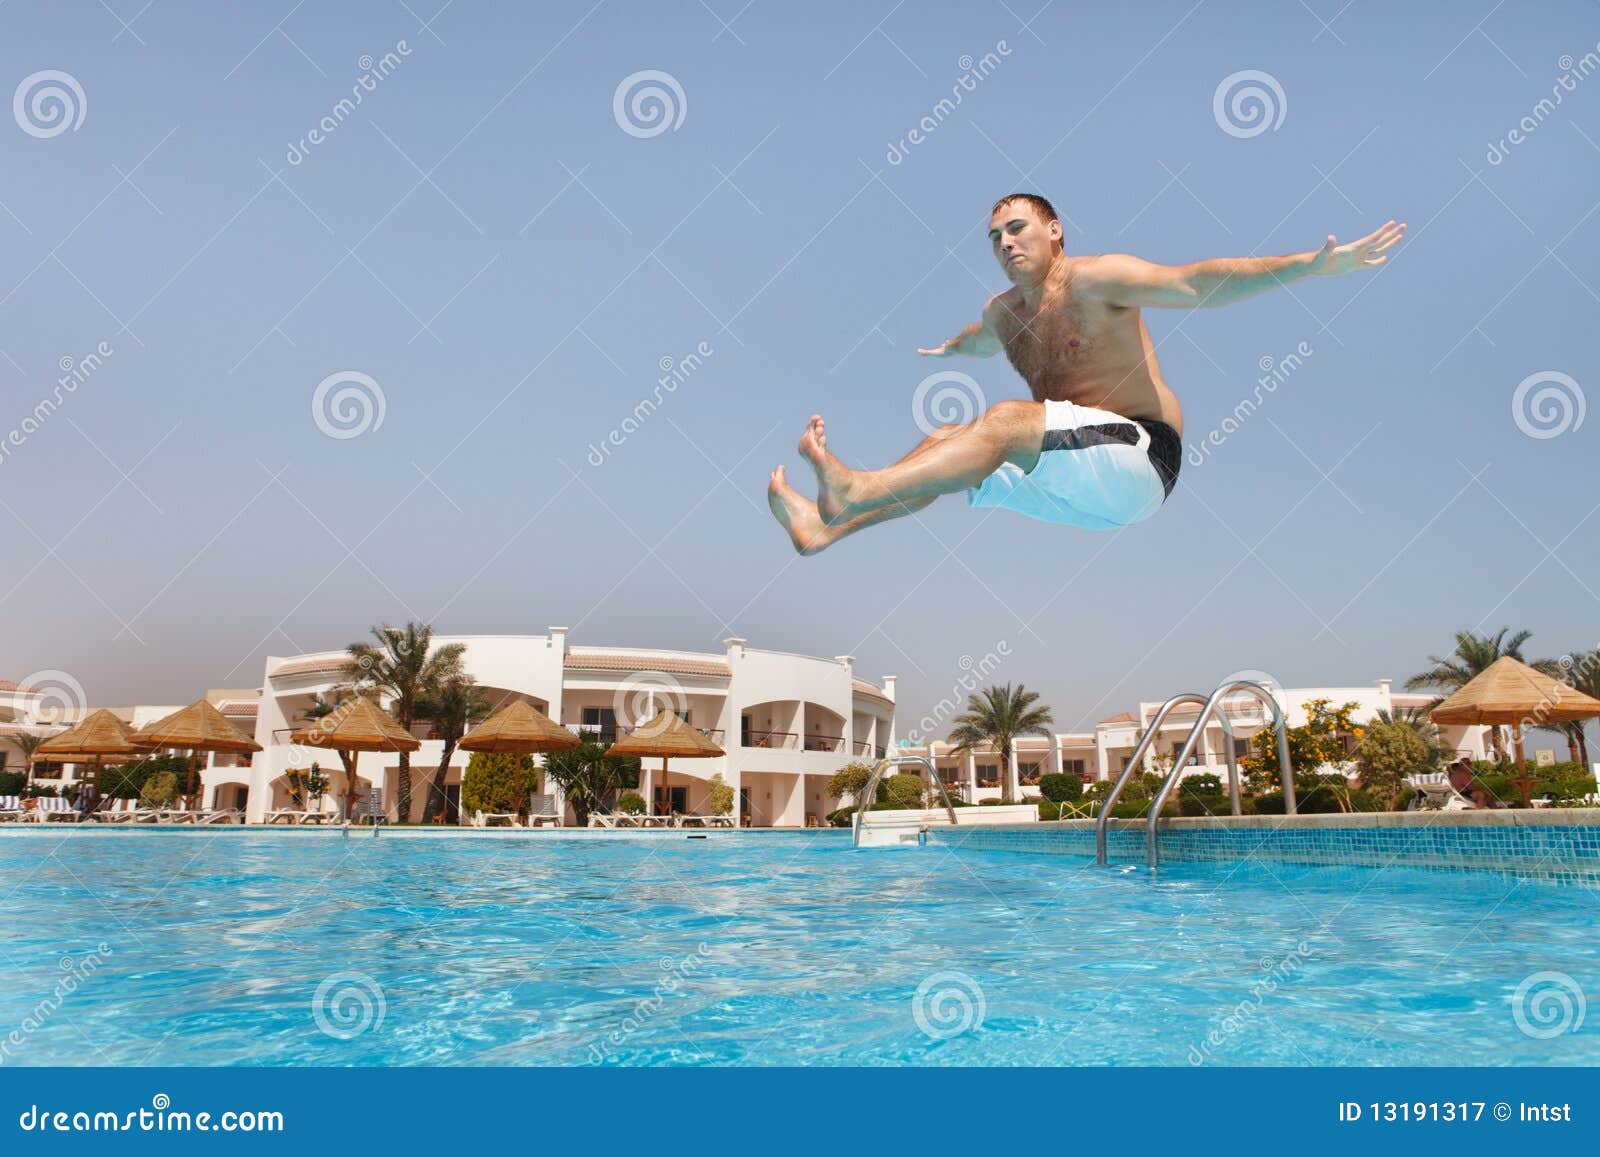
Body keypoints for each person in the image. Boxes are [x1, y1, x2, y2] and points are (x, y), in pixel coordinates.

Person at [768, 193, 1405, 554]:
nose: (1005, 243)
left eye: (1016, 228)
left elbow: (1195, 282)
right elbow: (978, 340)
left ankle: (853, 490)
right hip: (1084, 493)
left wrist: (1309, 267)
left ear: (1054, 230)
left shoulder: (1097, 279)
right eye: (993, 238)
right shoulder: (1002, 315)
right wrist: (950, 353)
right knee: (945, 445)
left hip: (1141, 458)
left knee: (1004, 422)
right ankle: (825, 530)